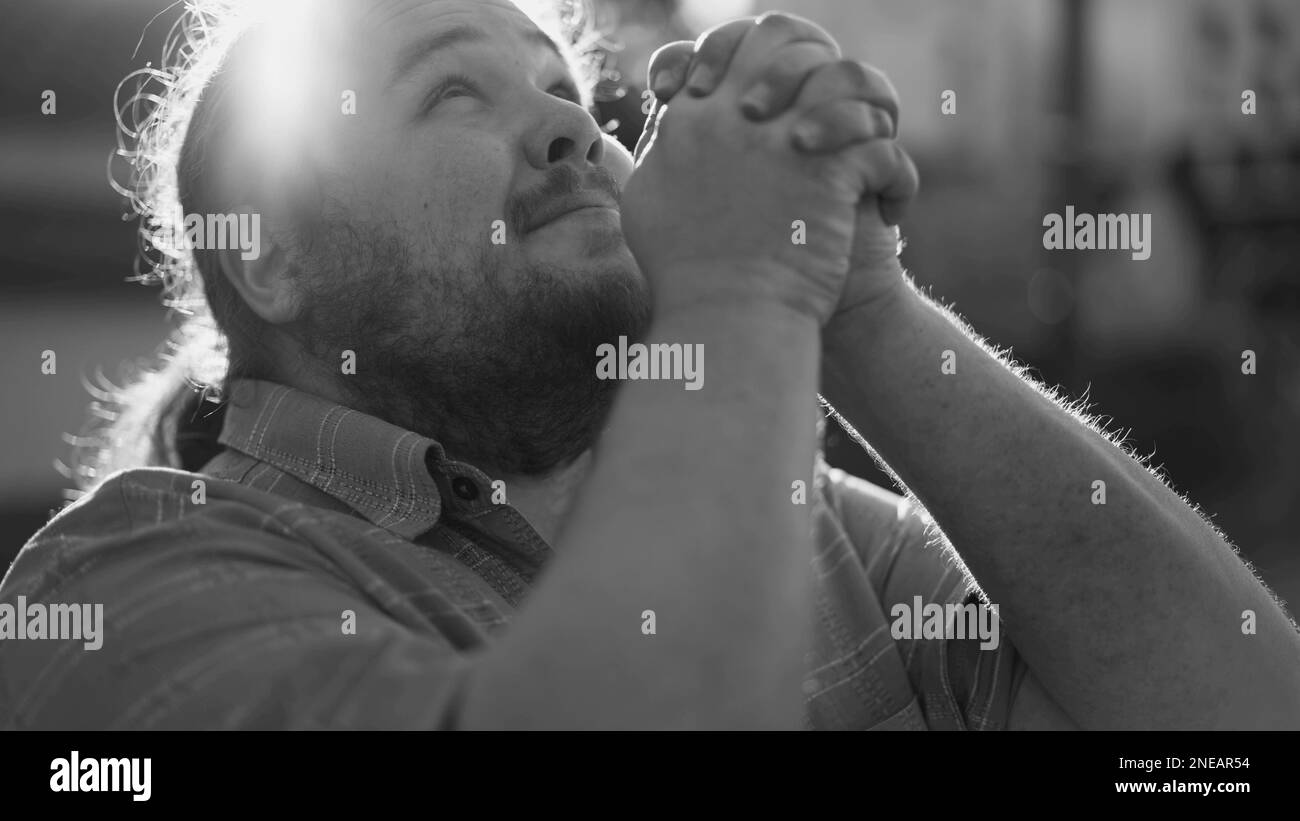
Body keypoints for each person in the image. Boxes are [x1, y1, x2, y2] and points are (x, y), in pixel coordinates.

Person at [1, 0, 1296, 730]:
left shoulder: (820, 534)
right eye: (453, 94)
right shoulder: (117, 594)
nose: (566, 125)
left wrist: (864, 310)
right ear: (272, 260)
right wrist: (735, 289)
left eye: (564, 89)